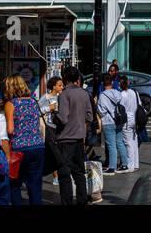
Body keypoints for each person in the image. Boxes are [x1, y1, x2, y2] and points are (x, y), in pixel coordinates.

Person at [53, 65, 93, 204]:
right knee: (79, 173)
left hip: (65, 140)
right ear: (77, 79)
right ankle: (82, 200)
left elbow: (63, 118)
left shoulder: (64, 94)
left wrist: (54, 117)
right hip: (79, 139)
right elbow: (89, 117)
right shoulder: (85, 93)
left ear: (64, 79)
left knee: (64, 175)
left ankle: (67, 202)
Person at [3, 74, 46, 205]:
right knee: (35, 186)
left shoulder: (11, 104)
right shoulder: (33, 101)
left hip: (19, 149)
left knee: (15, 185)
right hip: (38, 147)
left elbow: (10, 130)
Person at [97, 74, 129, 174]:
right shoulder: (117, 93)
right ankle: (124, 164)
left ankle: (112, 167)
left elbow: (101, 111)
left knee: (111, 145)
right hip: (119, 121)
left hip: (108, 122)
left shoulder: (102, 95)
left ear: (103, 83)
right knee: (120, 142)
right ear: (112, 82)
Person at [39, 76, 64, 187]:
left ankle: (60, 174)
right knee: (53, 153)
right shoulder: (45, 97)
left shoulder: (62, 97)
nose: (62, 87)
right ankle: (55, 177)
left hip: (61, 128)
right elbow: (37, 111)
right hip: (50, 128)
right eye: (59, 85)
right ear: (54, 86)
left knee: (59, 152)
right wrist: (49, 108)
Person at [117, 74, 141, 171]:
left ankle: (130, 165)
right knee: (134, 141)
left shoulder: (122, 95)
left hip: (126, 121)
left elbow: (121, 109)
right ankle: (135, 163)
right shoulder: (135, 92)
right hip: (135, 119)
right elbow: (139, 104)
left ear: (121, 84)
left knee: (128, 143)